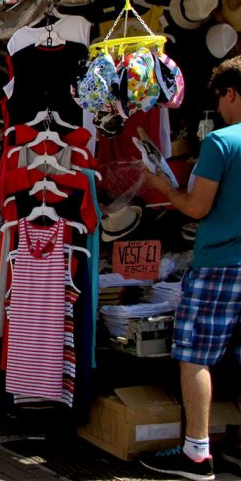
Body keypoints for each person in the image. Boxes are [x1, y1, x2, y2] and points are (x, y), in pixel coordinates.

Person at [140, 56, 241, 481]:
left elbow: (197, 207)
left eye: (219, 98)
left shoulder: (222, 143)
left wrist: (166, 188)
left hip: (220, 263)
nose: (218, 108)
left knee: (195, 355)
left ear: (231, 93)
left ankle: (197, 453)